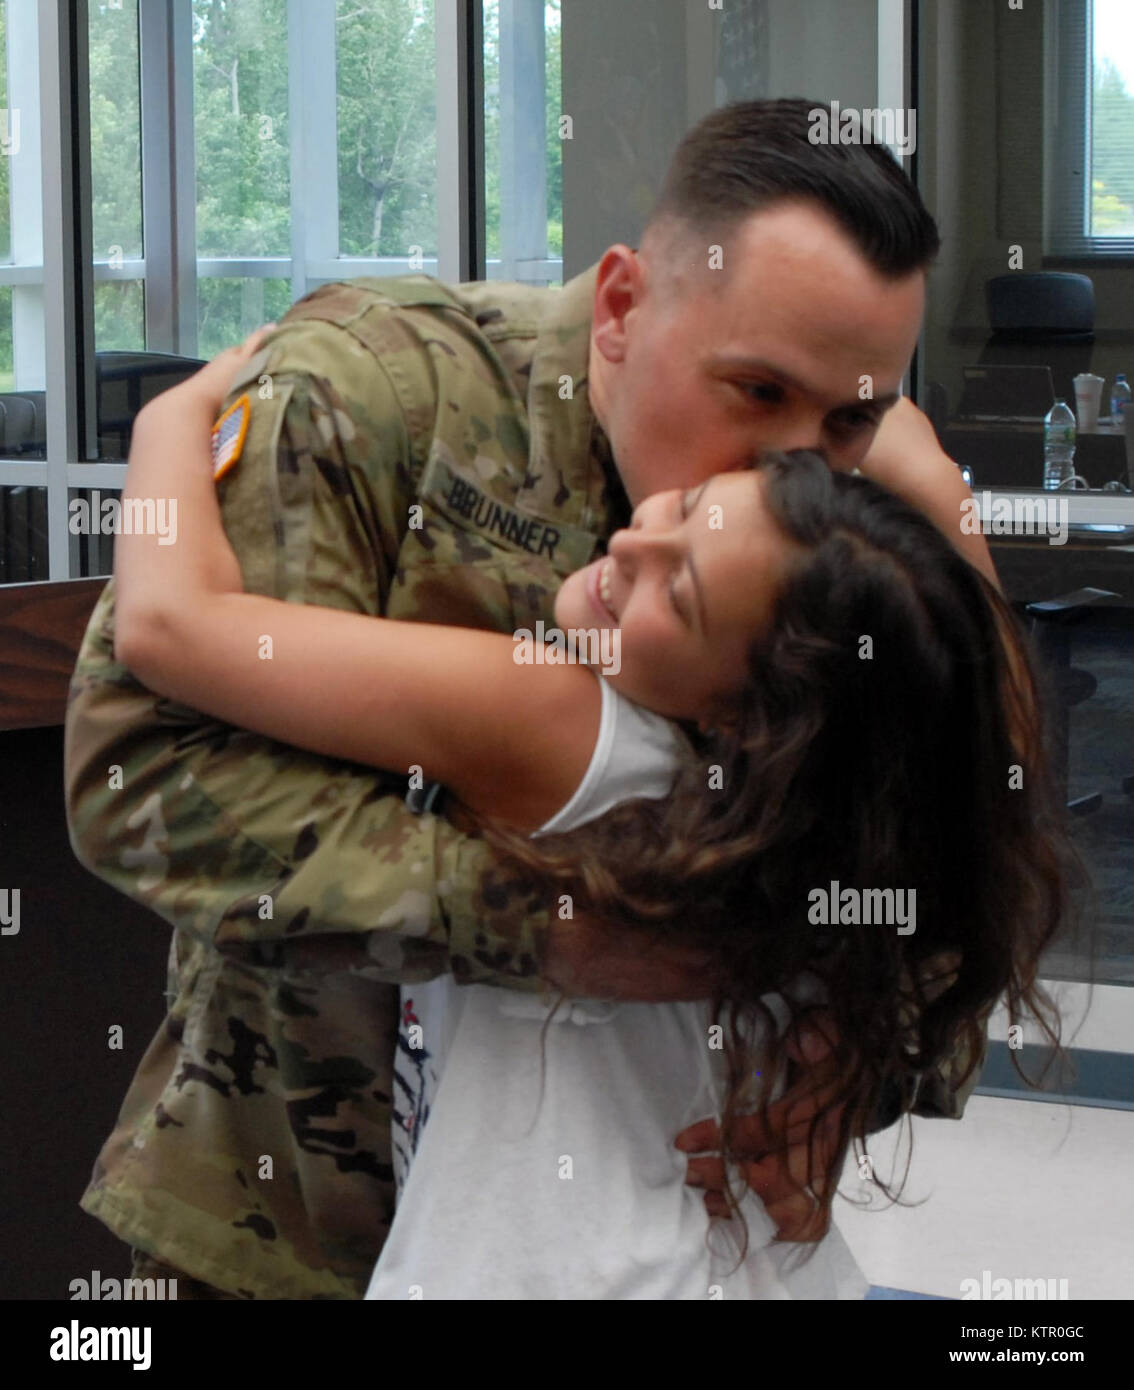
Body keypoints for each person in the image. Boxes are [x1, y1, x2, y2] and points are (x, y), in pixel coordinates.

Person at [64, 98, 998, 1299]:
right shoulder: (380, 391)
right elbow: (134, 772)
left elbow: (965, 827)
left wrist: (855, 1068)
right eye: (757, 391)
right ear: (621, 308)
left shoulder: (850, 504)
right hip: (290, 1216)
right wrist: (549, 924)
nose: (795, 464)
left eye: (854, 414)